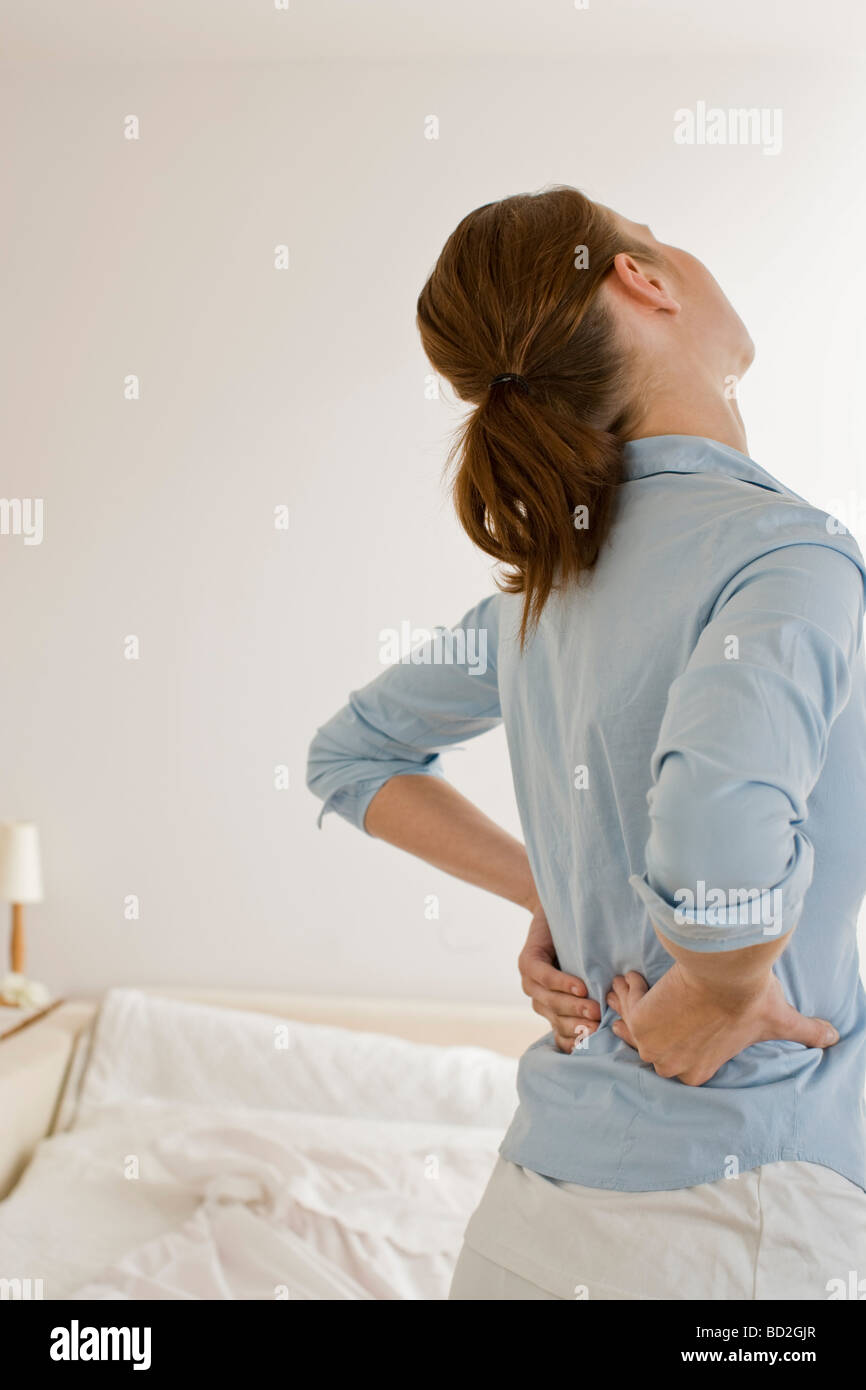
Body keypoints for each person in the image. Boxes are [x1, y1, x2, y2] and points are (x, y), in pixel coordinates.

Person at [306, 186, 866, 1299]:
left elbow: (350, 756)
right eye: (656, 236)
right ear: (639, 278)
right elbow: (713, 838)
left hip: (531, 1212)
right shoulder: (785, 556)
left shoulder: (542, 593)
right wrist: (717, 981)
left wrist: (559, 891)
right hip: (732, 1216)